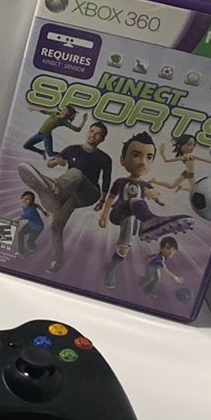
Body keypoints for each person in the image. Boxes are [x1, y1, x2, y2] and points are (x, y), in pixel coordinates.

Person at [17, 121, 111, 271]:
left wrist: (102, 201)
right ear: (88, 132)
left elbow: (106, 180)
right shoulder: (72, 149)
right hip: (69, 194)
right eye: (92, 131)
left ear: (102, 139)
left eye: (98, 134)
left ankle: (52, 188)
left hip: (89, 193)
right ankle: (57, 260)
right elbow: (50, 164)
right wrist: (56, 161)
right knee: (55, 227)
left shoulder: (104, 158)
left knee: (76, 173)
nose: (93, 135)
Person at [97, 134, 161, 288]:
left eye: (149, 157)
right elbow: (110, 199)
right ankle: (151, 221)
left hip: (132, 220)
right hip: (118, 213)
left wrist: (157, 196)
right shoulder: (121, 182)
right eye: (136, 155)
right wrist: (104, 215)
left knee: (123, 251)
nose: (142, 162)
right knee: (134, 201)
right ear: (122, 160)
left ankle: (110, 268)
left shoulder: (146, 185)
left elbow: (158, 199)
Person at [22, 103, 86, 160]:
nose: (63, 109)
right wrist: (34, 109)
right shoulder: (55, 113)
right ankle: (41, 152)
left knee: (50, 153)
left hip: (46, 135)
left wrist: (84, 120)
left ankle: (67, 156)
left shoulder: (64, 121)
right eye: (64, 108)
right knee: (26, 146)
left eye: (65, 109)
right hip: (39, 134)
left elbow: (77, 129)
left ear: (68, 113)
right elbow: (45, 112)